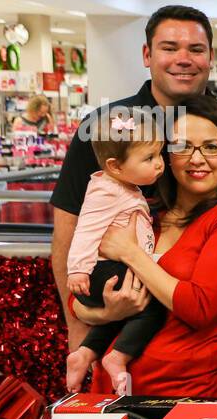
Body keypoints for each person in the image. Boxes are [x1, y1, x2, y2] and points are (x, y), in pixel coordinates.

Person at [51, 5, 217, 352]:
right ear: (147, 55)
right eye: (169, 48)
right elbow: (68, 229)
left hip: (209, 331)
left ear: (211, 57)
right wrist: (77, 326)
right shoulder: (105, 127)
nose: (183, 59)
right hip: (119, 322)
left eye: (195, 49)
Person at [70, 95, 217, 398]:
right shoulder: (145, 214)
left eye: (211, 147)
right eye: (183, 146)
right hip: (111, 392)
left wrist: (130, 253)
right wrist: (110, 313)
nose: (197, 158)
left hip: (184, 398)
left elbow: (199, 308)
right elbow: (79, 300)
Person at [64, 110, 168, 393]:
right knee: (154, 302)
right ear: (115, 166)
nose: (159, 165)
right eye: (149, 158)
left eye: (159, 155)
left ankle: (85, 354)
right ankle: (117, 358)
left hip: (108, 269)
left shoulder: (124, 186)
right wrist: (78, 269)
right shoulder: (106, 190)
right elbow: (86, 228)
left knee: (124, 313)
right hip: (101, 271)